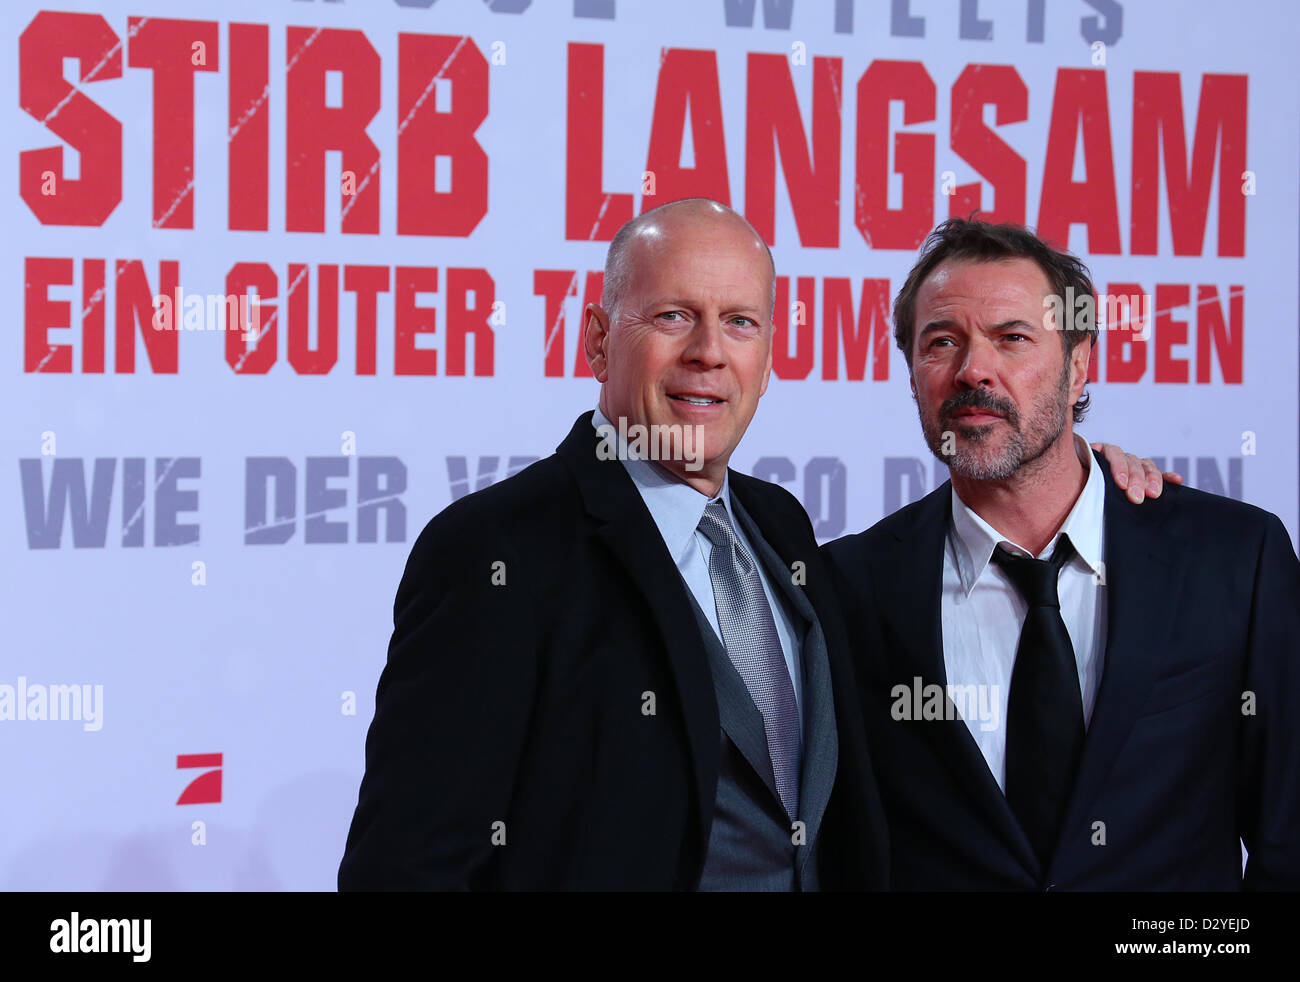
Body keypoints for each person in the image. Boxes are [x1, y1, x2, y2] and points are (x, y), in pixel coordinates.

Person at [338, 198, 889, 890]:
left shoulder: (782, 525)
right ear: (597, 339)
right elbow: (409, 868)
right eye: (673, 316)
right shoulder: (495, 550)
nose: (709, 353)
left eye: (740, 323)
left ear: (769, 358)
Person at [824, 217, 1300, 890]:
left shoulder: (1234, 560)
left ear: (1079, 366)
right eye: (941, 343)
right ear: (911, 375)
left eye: (1012, 338)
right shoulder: (849, 587)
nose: (972, 370)